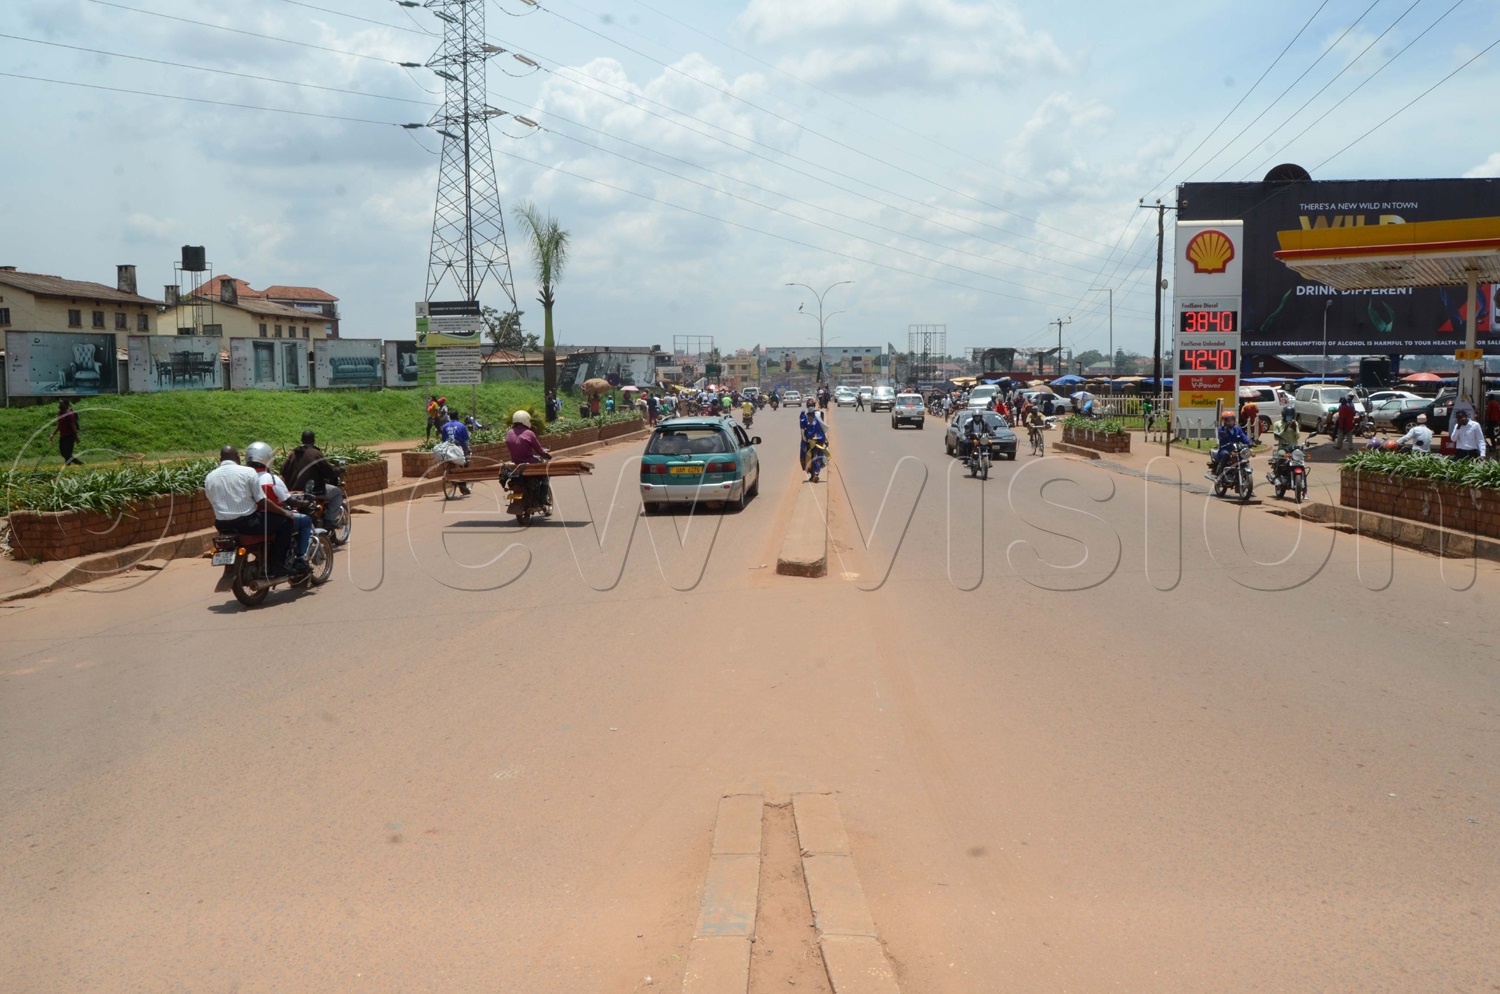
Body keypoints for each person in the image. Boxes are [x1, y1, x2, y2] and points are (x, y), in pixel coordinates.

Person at [205, 445, 296, 576]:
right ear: (237, 458)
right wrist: (285, 513)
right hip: (247, 523)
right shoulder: (247, 472)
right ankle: (278, 565)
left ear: (220, 459)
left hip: (222, 525)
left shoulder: (210, 477)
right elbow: (261, 501)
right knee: (286, 523)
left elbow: (212, 500)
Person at [246, 441, 311, 576]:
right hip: (272, 518)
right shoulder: (271, 479)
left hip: (252, 519)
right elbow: (289, 500)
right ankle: (299, 558)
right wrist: (304, 503)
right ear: (267, 459)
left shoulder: (244, 478)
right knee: (305, 520)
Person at [278, 430, 345, 531]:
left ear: (301, 440)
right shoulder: (316, 453)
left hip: (293, 491)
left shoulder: (293, 454)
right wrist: (339, 470)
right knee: (337, 494)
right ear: (313, 441)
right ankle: (329, 521)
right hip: (313, 490)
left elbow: (282, 470)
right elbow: (329, 471)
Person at [438, 412, 474, 494]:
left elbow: (443, 440)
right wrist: (467, 449)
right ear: (457, 417)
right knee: (465, 463)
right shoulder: (461, 426)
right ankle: (463, 485)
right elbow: (466, 440)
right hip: (458, 448)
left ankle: (449, 475)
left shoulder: (445, 426)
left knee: (448, 461)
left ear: (450, 417)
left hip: (448, 448)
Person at [1208, 410, 1252, 476]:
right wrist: (1224, 434)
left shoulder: (1238, 429)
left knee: (1243, 454)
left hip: (1236, 449)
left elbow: (1243, 437)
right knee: (1226, 454)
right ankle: (1221, 475)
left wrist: (1250, 442)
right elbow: (1221, 438)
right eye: (1228, 420)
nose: (1231, 421)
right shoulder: (1221, 429)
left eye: (1232, 419)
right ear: (1224, 421)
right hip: (1225, 449)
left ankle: (1242, 471)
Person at [800, 398, 828, 483]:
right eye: (809, 406)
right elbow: (802, 429)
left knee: (818, 457)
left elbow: (822, 428)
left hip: (819, 439)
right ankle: (813, 474)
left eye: (812, 406)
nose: (811, 407)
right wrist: (804, 439)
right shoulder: (804, 416)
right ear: (807, 406)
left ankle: (816, 473)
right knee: (806, 457)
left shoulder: (819, 415)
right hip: (808, 440)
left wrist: (825, 439)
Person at [50, 399, 82, 466]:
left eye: (61, 404)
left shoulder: (69, 414)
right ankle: (77, 463)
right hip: (63, 436)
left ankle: (76, 464)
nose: (60, 405)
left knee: (67, 453)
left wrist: (76, 437)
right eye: (59, 404)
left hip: (69, 436)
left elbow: (73, 425)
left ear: (66, 404)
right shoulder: (60, 413)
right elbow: (59, 425)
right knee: (63, 453)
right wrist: (53, 434)